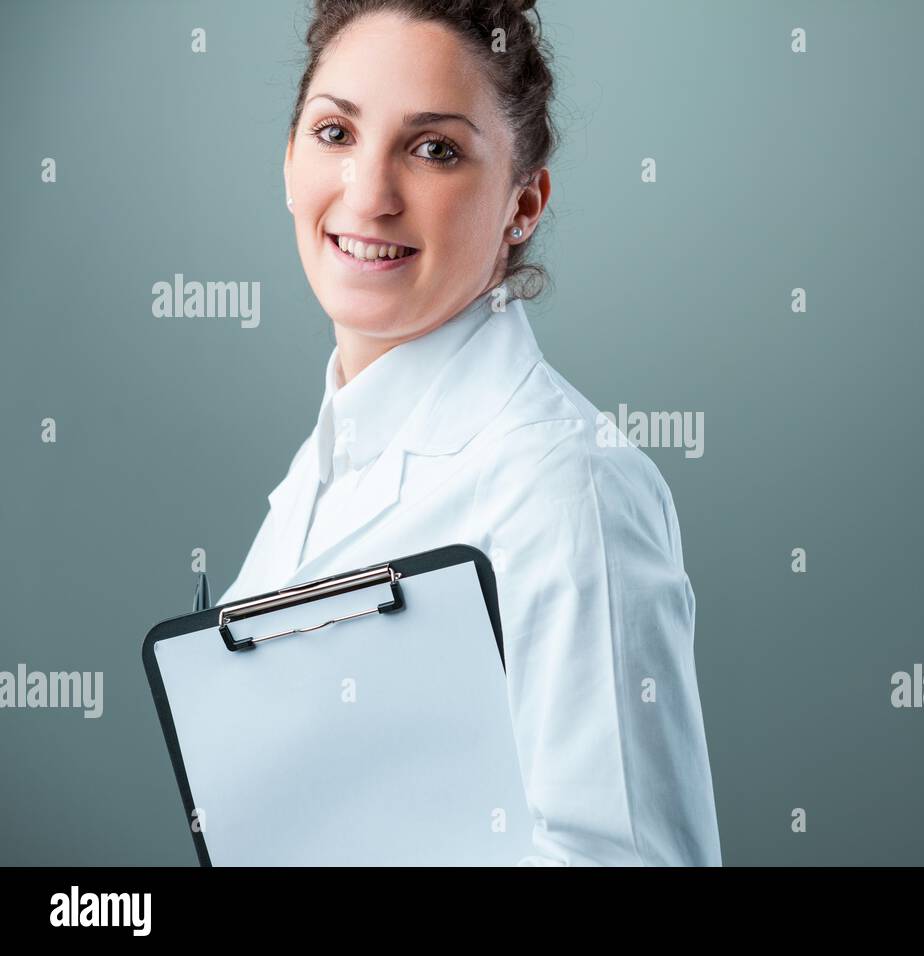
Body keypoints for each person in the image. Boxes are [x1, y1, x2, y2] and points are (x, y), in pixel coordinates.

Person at [216, 0, 722, 866]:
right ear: (289, 163)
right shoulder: (325, 466)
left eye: (434, 149)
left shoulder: (568, 484)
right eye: (335, 133)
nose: (368, 195)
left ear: (524, 203)